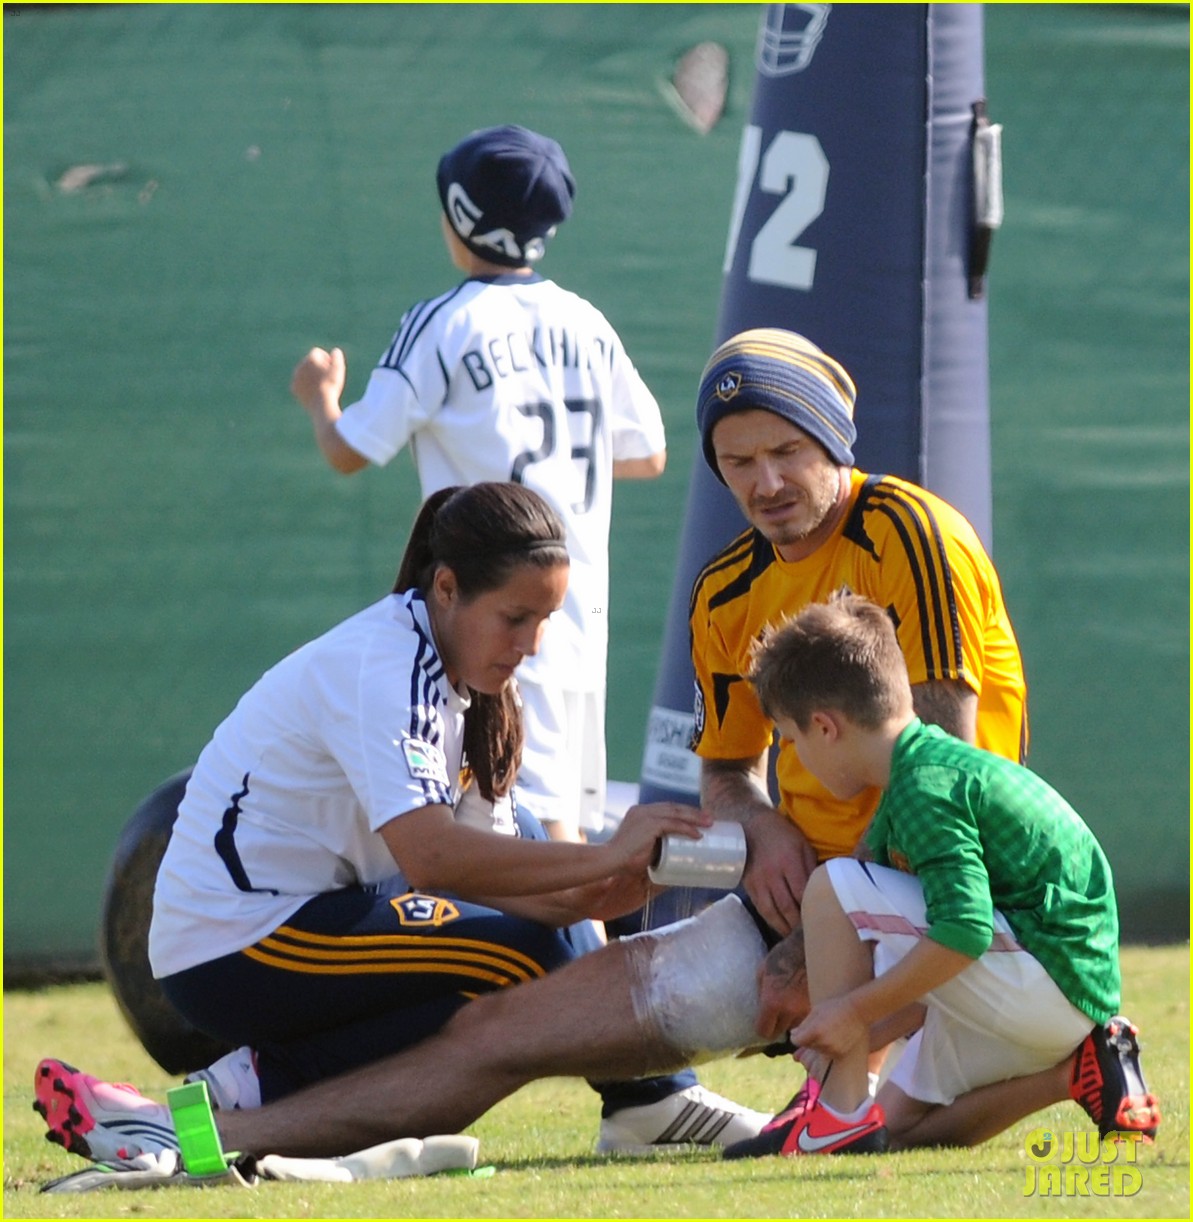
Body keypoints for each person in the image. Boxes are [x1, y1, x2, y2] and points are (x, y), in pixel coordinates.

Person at [34, 482, 767, 1163]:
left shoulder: (463, 676)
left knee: (529, 924)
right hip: (233, 946)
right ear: (445, 588)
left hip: (310, 916)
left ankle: (232, 1098)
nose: (532, 644)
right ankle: (647, 1101)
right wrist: (605, 857)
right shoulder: (384, 664)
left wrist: (603, 886)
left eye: (544, 620)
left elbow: (518, 878)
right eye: (515, 618)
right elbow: (435, 860)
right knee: (517, 960)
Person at [290, 123, 667, 847]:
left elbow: (348, 451)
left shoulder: (442, 324)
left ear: (460, 214)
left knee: (525, 839)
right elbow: (645, 452)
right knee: (554, 828)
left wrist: (318, 396)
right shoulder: (585, 321)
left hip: (493, 613)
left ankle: (573, 958)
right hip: (577, 611)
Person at [719, 591, 1160, 1156]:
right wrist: (864, 1031)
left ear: (825, 728)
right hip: (1060, 999)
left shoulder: (925, 788)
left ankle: (835, 1118)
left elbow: (966, 931)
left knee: (833, 887)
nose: (794, 758)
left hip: (1046, 983)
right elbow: (950, 952)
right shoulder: (923, 772)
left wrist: (852, 1012)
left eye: (791, 739)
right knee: (896, 1128)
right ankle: (1078, 1070)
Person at [690, 327, 1030, 940]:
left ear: (832, 441)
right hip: (824, 889)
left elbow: (942, 765)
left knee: (823, 1025)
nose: (765, 485)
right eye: (738, 462)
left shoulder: (911, 533)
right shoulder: (722, 591)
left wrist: (826, 925)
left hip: (952, 879)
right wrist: (765, 833)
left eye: (787, 451)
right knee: (650, 993)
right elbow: (725, 772)